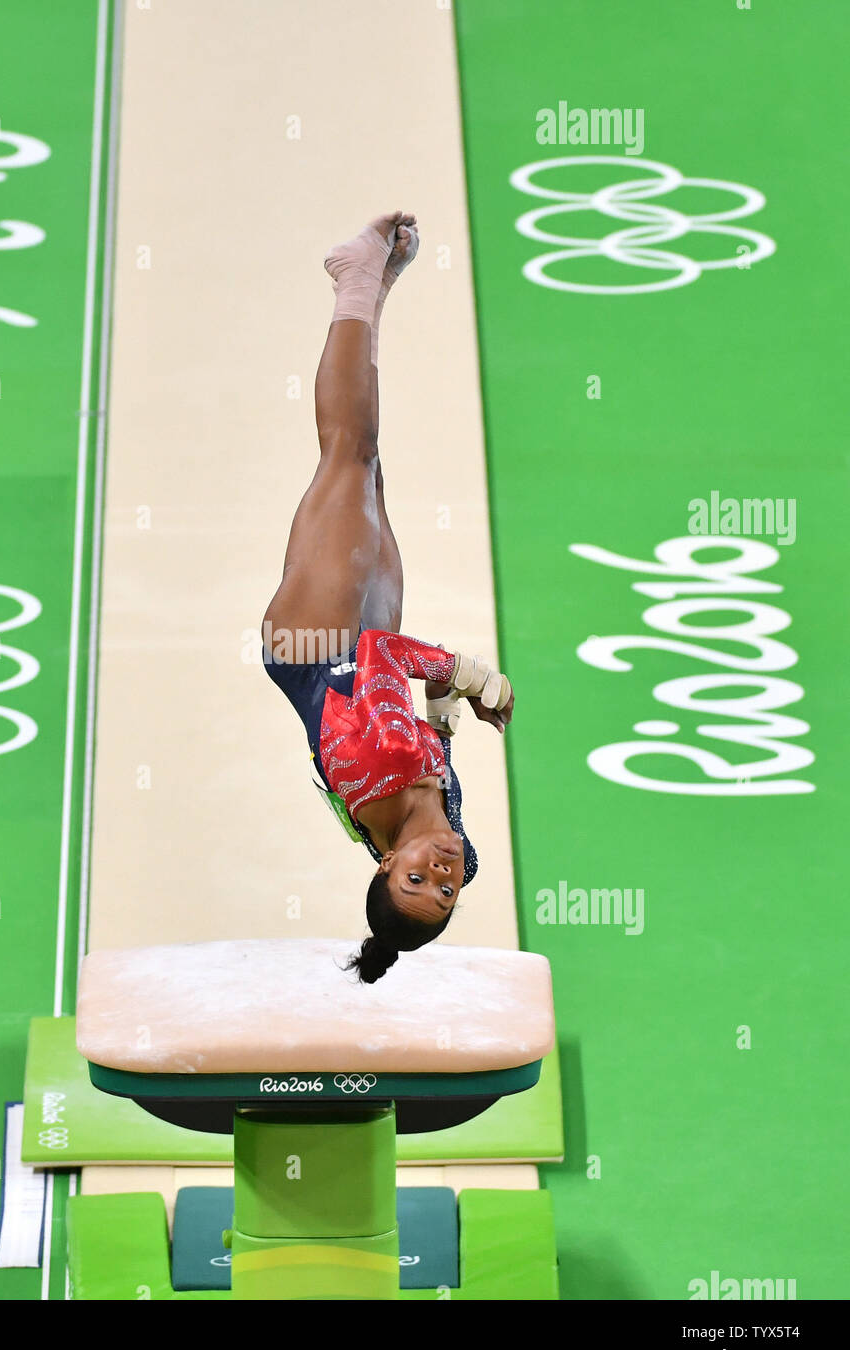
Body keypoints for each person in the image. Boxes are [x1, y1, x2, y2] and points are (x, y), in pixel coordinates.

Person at [261, 212, 514, 983]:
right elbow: (429, 733)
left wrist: (469, 676)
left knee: (348, 452)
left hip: (313, 644)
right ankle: (374, 290)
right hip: (347, 659)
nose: (440, 873)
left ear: (381, 869)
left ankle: (355, 277)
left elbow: (382, 656)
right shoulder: (457, 845)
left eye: (416, 879)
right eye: (444, 893)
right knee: (368, 467)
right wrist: (444, 706)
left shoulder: (383, 766)